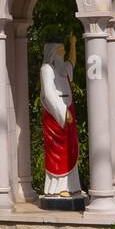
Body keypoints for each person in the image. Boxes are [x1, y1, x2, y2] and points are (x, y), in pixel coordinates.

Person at [40, 31, 81, 197]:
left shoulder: (62, 68)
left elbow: (71, 62)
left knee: (71, 147)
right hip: (56, 114)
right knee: (57, 150)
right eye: (61, 50)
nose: (64, 53)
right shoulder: (46, 69)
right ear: (54, 51)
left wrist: (73, 44)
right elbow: (48, 94)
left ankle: (71, 185)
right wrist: (62, 113)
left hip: (67, 109)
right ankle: (57, 187)